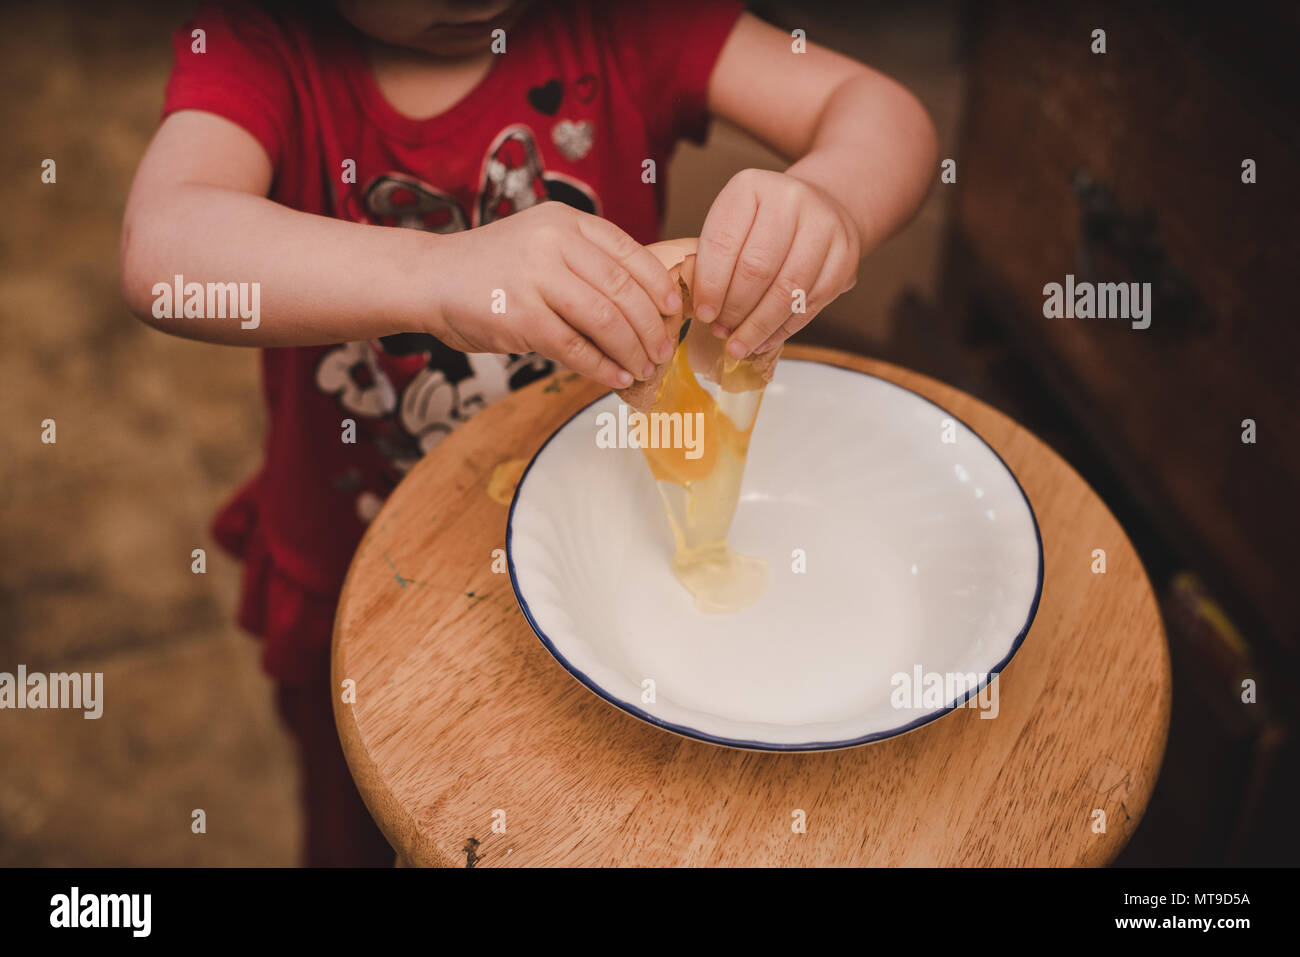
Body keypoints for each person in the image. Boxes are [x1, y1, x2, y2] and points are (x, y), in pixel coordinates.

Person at [120, 0, 937, 865]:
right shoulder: (263, 43)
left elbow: (881, 111)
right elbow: (163, 250)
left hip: (593, 574)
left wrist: (829, 203)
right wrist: (437, 274)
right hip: (366, 582)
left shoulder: (622, 19)